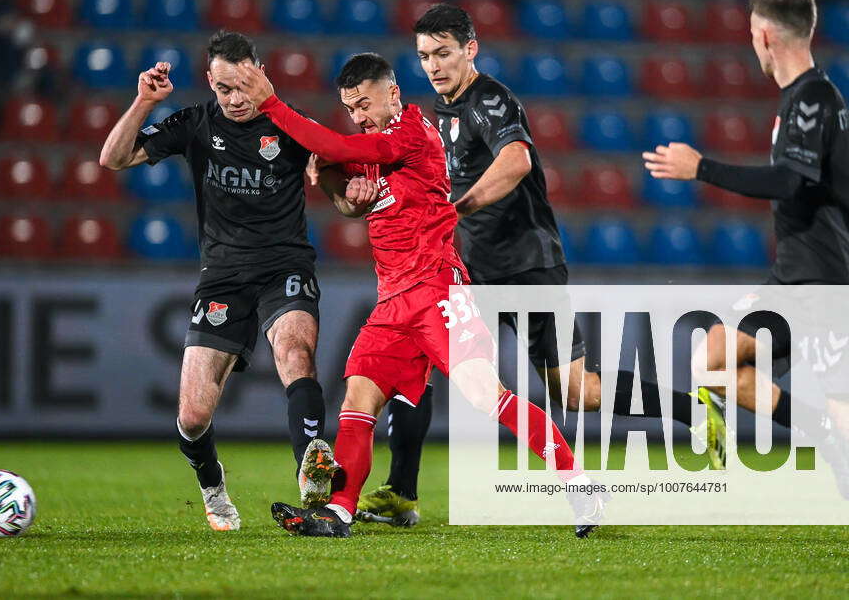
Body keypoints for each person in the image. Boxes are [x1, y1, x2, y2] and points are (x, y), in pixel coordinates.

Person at [355, 3, 704, 527]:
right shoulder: (436, 116)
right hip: (468, 272)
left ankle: (690, 409)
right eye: (424, 56)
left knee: (574, 390)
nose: (433, 65)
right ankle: (401, 493)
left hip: (525, 266)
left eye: (443, 53)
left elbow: (516, 160)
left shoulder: (489, 99)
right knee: (415, 368)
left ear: (471, 49)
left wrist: (457, 209)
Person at [237, 53, 608, 538]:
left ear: (393, 93)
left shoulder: (412, 133)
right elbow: (346, 197)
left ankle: (580, 485)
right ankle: (339, 512)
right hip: (392, 302)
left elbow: (333, 145)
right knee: (358, 397)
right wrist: (327, 173)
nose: (358, 116)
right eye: (350, 109)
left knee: (485, 394)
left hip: (436, 289)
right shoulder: (373, 147)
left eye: (364, 104)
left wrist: (272, 104)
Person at [98, 31, 330, 531]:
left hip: (285, 267)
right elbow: (114, 159)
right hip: (223, 279)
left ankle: (311, 474)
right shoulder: (196, 123)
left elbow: (337, 166)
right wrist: (144, 102)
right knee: (192, 417)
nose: (235, 99)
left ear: (260, 74)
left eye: (243, 86)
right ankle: (212, 485)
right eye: (224, 88)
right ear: (210, 81)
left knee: (296, 353)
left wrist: (332, 176)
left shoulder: (290, 123)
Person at [642, 0, 849, 488]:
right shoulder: (804, 98)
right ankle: (824, 435)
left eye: (752, 34)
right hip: (793, 279)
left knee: (841, 407)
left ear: (765, 37)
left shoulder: (814, 98)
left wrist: (702, 168)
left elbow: (791, 181)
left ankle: (836, 442)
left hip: (825, 281)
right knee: (712, 360)